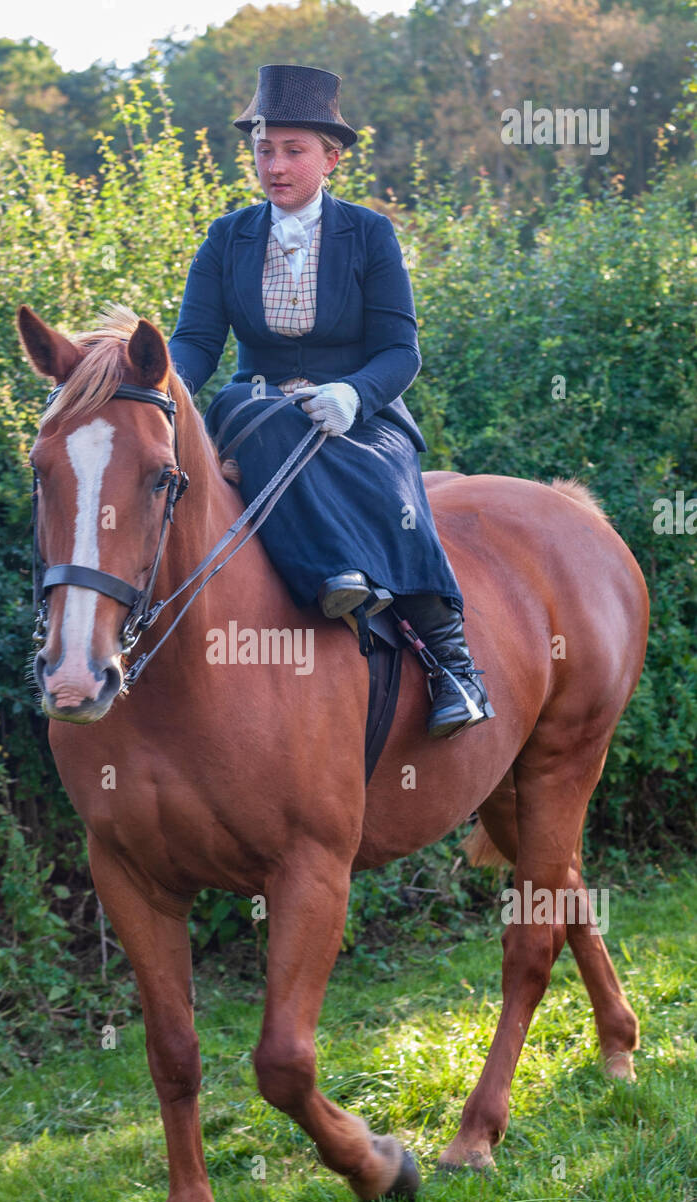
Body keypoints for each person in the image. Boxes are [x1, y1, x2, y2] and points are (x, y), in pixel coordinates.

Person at [168, 64, 493, 739]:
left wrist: (353, 392)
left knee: (392, 488)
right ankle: (332, 574)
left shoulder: (370, 234)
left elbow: (402, 352)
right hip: (256, 404)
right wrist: (151, 394)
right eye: (264, 150)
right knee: (265, 423)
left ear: (330, 158)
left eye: (292, 150)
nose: (275, 166)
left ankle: (450, 663)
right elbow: (195, 344)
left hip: (360, 410)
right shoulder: (225, 238)